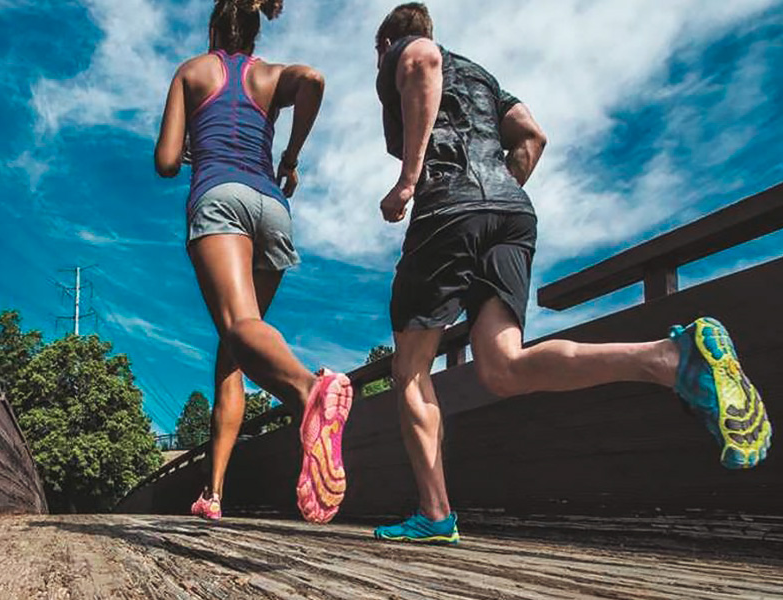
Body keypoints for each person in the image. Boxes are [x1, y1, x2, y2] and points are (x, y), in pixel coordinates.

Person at [370, 2, 771, 545]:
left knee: (411, 369)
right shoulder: (485, 79)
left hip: (446, 206)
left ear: (384, 43)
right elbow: (532, 135)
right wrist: (498, 195)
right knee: (503, 367)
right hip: (512, 212)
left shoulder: (406, 49)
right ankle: (671, 359)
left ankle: (436, 513)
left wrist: (409, 180)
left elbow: (420, 62)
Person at [154, 0, 352, 524]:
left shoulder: (193, 71)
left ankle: (312, 391)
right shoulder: (267, 75)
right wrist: (290, 157)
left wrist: (196, 142)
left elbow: (167, 162)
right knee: (235, 351)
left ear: (215, 27)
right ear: (256, 33)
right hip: (273, 208)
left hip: (220, 198)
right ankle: (213, 494)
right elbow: (312, 80)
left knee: (239, 327)